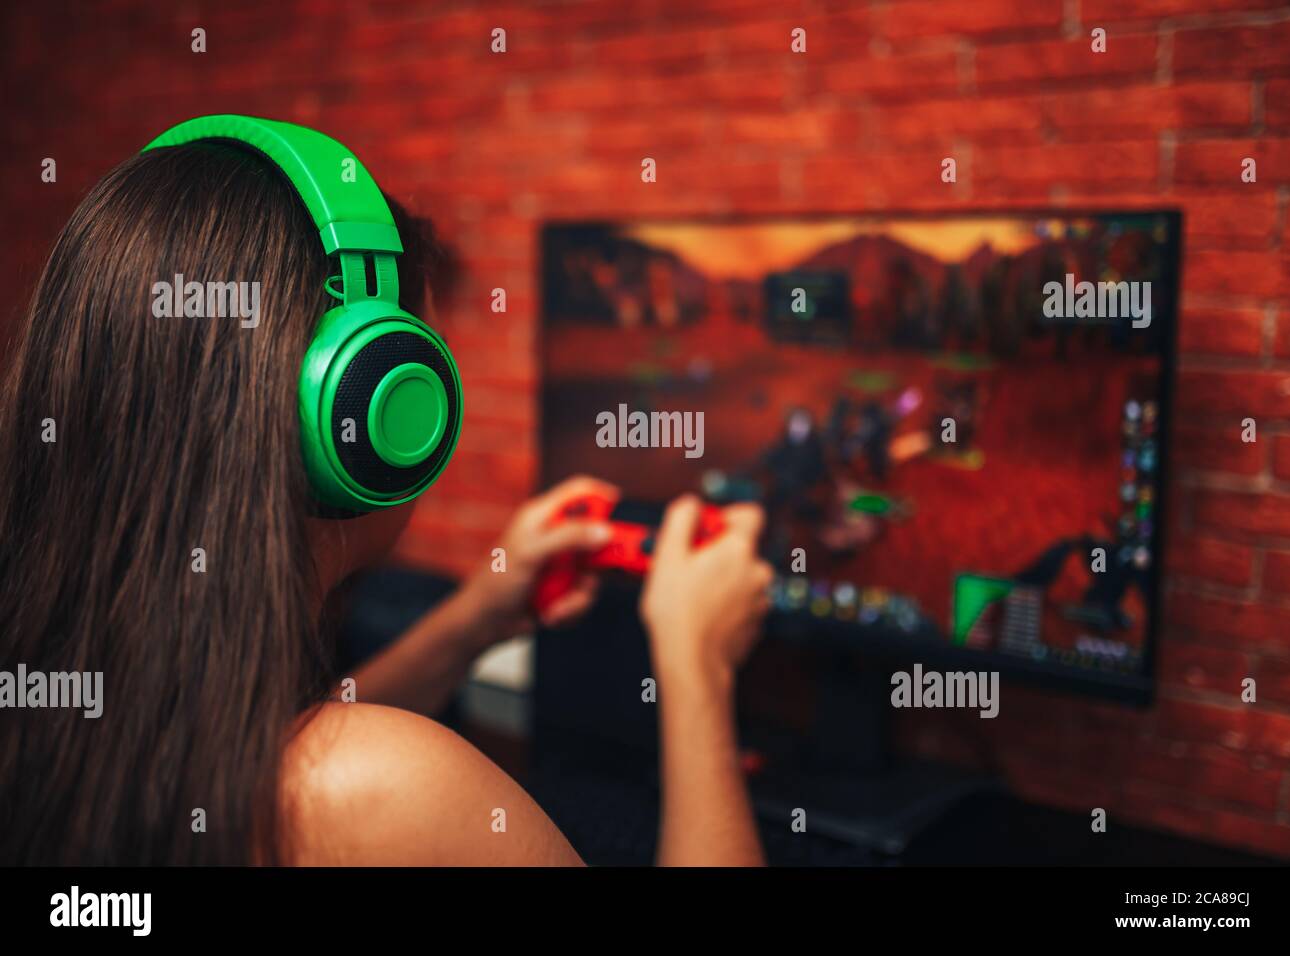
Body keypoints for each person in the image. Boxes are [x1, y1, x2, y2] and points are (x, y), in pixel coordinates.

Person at [0, 140, 773, 866]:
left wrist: (476, 618)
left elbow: (271, 750)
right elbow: (341, 778)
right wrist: (695, 663)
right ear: (365, 413)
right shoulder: (386, 791)